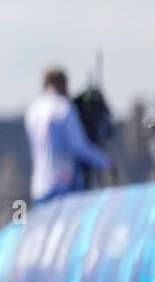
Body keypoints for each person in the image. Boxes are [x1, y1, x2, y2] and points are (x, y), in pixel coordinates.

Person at [24, 67, 112, 205]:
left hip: (40, 186)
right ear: (62, 84)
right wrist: (105, 162)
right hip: (63, 184)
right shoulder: (63, 107)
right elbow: (78, 145)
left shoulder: (32, 110)